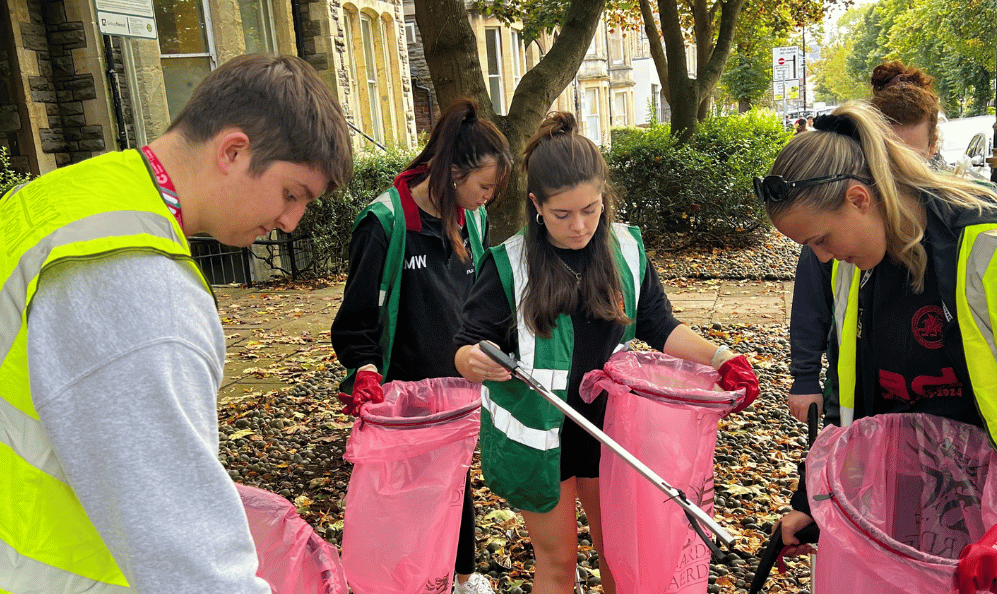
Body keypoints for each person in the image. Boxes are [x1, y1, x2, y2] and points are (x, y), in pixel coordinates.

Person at [0, 54, 352, 593]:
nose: (290, 222)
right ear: (233, 151)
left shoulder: (60, 203)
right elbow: (187, 558)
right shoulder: (141, 287)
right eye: (291, 193)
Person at [454, 112, 760, 594]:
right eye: (562, 215)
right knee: (557, 565)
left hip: (610, 431)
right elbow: (466, 343)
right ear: (536, 205)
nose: (579, 227)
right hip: (539, 437)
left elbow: (659, 324)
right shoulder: (509, 263)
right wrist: (472, 360)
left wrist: (721, 357)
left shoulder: (626, 249)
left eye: (591, 210)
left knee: (620, 557)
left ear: (604, 199)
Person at [758, 102, 997, 594]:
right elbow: (848, 402)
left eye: (821, 239)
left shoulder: (995, 252)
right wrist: (813, 499)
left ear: (860, 197)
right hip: (904, 511)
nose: (821, 258)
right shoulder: (854, 270)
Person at [330, 97, 510, 594]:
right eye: (485, 186)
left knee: (453, 484)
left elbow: (477, 303)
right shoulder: (384, 224)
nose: (488, 199)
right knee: (406, 498)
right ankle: (404, 581)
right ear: (453, 172)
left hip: (458, 395)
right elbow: (355, 323)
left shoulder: (470, 221)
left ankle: (461, 577)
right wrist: (363, 371)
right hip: (401, 399)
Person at [787, 62, 948, 425]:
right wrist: (805, 376)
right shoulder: (841, 228)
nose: (897, 177)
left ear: (933, 144)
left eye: (910, 158)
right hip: (864, 401)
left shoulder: (962, 235)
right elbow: (812, 300)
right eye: (885, 160)